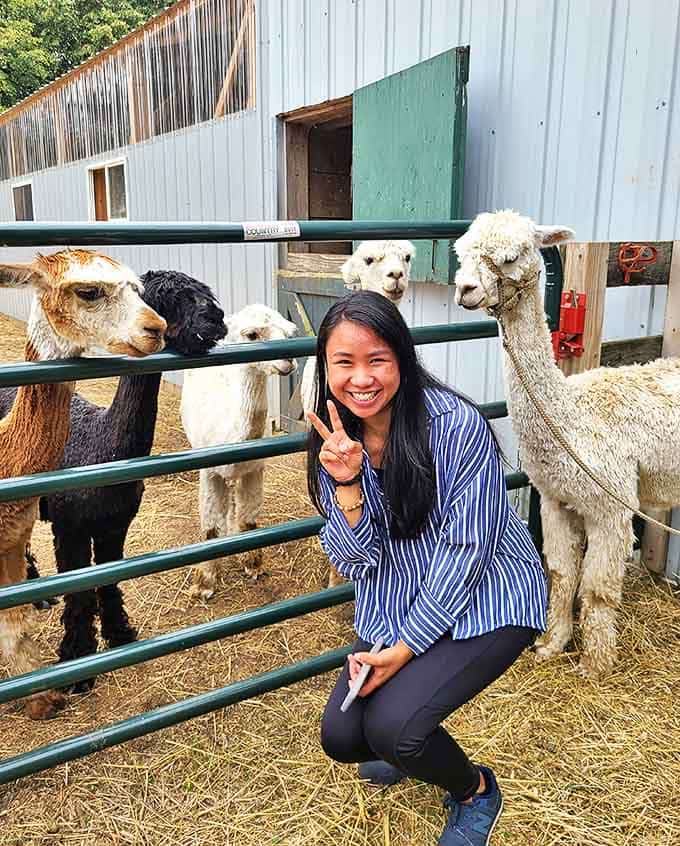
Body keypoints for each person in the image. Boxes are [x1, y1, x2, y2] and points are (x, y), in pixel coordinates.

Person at [306, 291, 547, 846]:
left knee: (394, 728)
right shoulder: (334, 438)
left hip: (489, 599)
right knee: (343, 738)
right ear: (326, 367)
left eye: (377, 360)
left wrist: (404, 649)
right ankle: (409, 734)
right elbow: (352, 560)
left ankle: (475, 790)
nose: (360, 378)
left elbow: (467, 553)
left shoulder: (455, 426)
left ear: (403, 360)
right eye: (344, 362)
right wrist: (346, 486)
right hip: (397, 604)